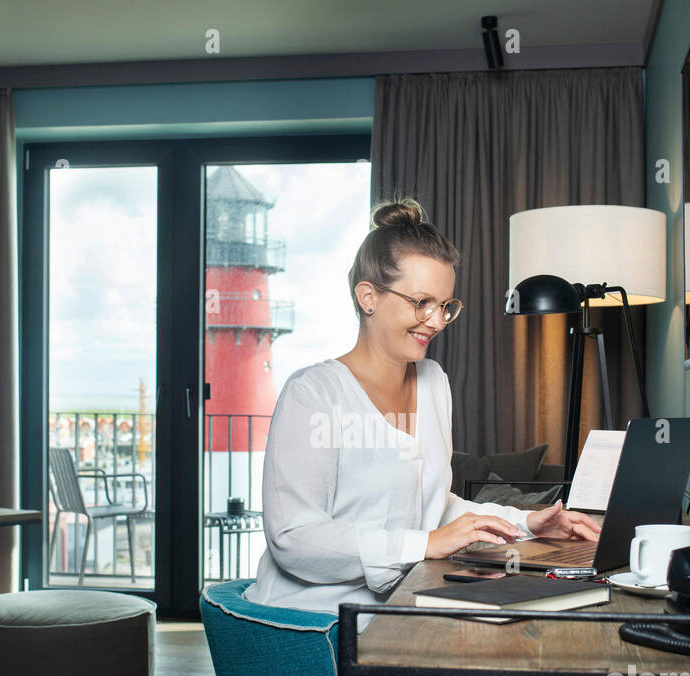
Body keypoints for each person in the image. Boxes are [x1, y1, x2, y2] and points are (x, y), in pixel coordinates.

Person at [244, 197, 599, 618]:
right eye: (421, 302)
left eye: (446, 306)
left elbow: (431, 504)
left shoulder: (433, 382)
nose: (435, 321)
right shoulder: (313, 394)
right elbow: (294, 538)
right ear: (368, 297)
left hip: (398, 606)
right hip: (312, 624)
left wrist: (526, 523)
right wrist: (427, 544)